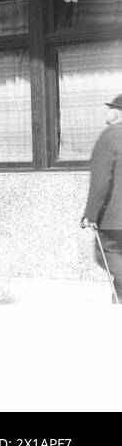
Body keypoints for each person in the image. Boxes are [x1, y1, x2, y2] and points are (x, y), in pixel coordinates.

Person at [81, 93, 122, 299]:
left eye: (110, 108)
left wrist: (91, 214)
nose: (107, 111)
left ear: (116, 113)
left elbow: (101, 181)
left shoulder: (110, 136)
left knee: (105, 252)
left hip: (115, 220)